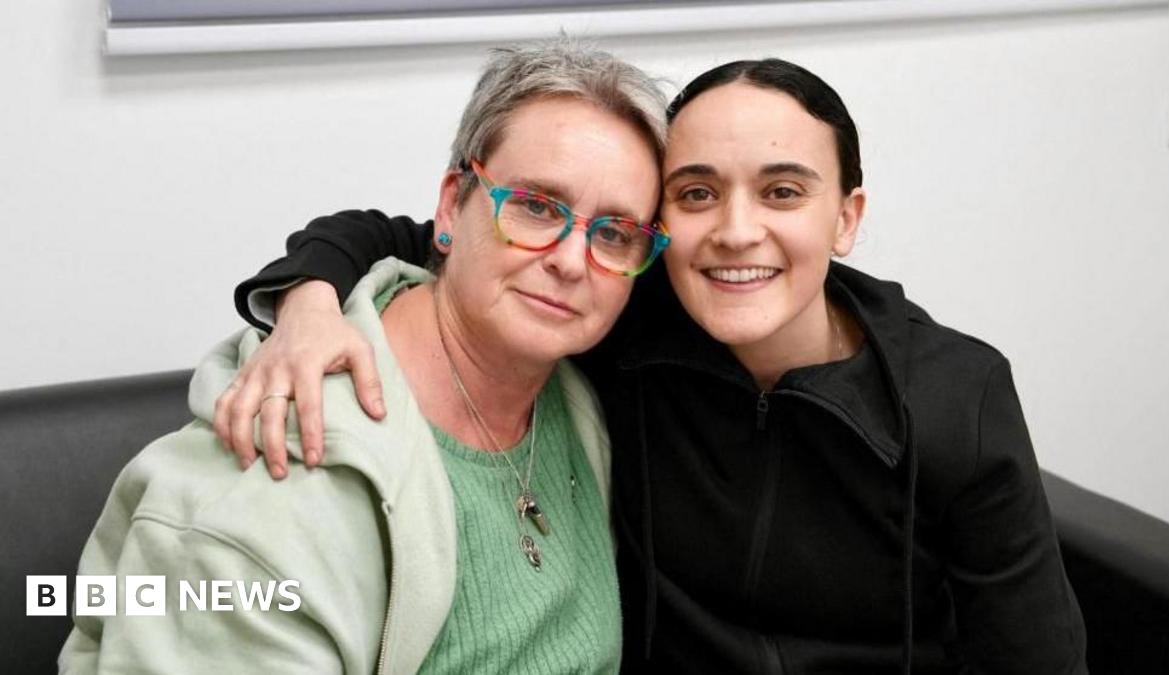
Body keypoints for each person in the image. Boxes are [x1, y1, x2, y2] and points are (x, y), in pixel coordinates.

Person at [219, 60, 1088, 673]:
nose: (736, 231)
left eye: (783, 192)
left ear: (846, 216)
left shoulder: (955, 394)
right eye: (698, 193)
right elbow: (427, 238)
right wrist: (309, 299)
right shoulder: (618, 304)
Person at [60, 39, 668, 674]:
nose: (572, 262)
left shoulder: (576, 400)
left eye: (616, 234)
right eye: (537, 207)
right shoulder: (275, 490)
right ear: (450, 205)